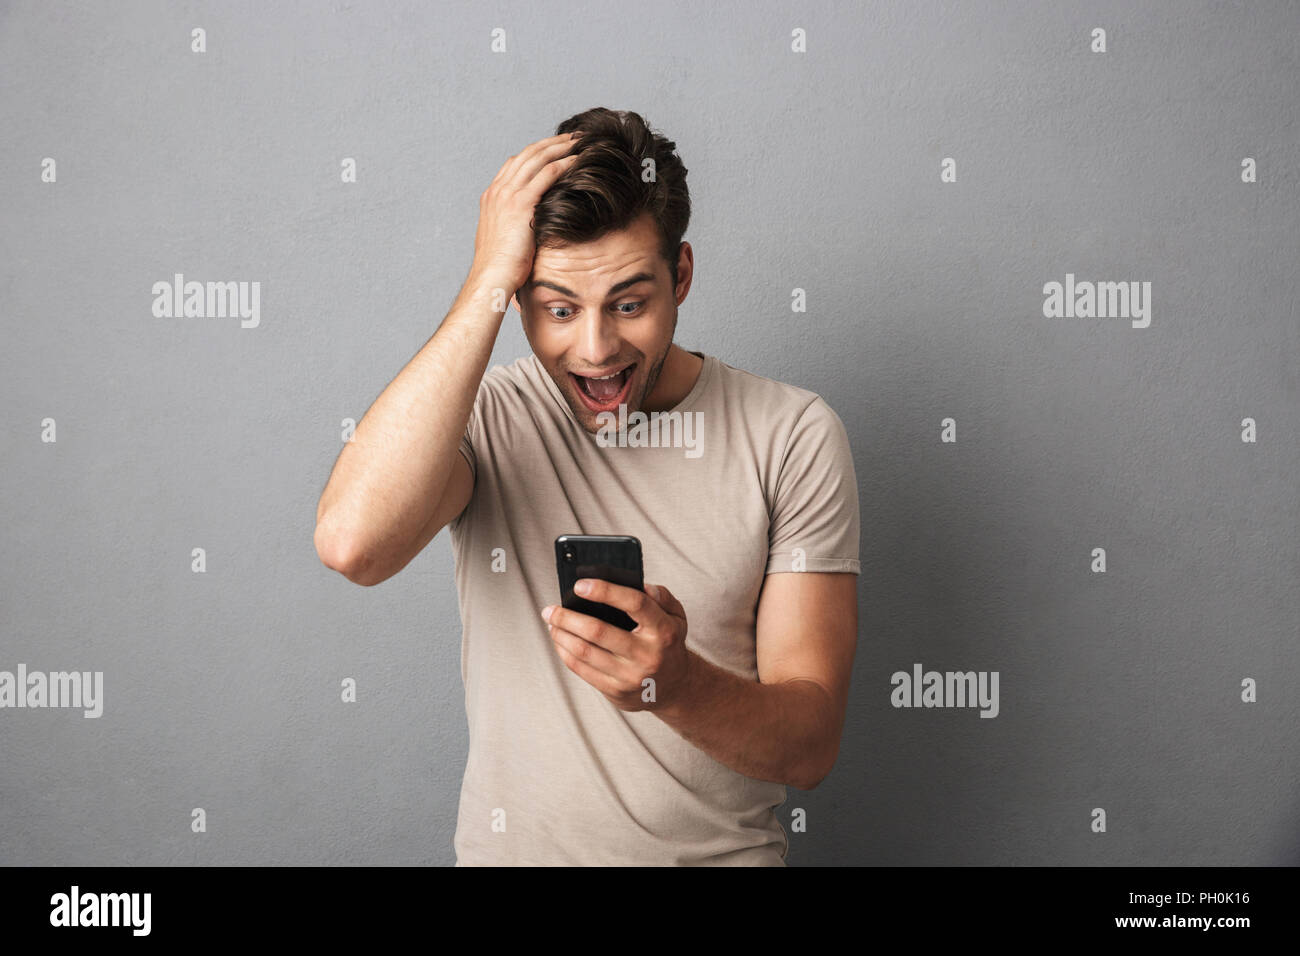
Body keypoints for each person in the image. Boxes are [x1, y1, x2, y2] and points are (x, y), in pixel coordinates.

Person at [313, 108, 861, 865]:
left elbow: (811, 746)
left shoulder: (792, 435)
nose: (597, 350)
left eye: (629, 304)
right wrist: (485, 282)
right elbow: (353, 545)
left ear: (683, 276)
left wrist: (676, 686)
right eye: (558, 309)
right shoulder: (487, 419)